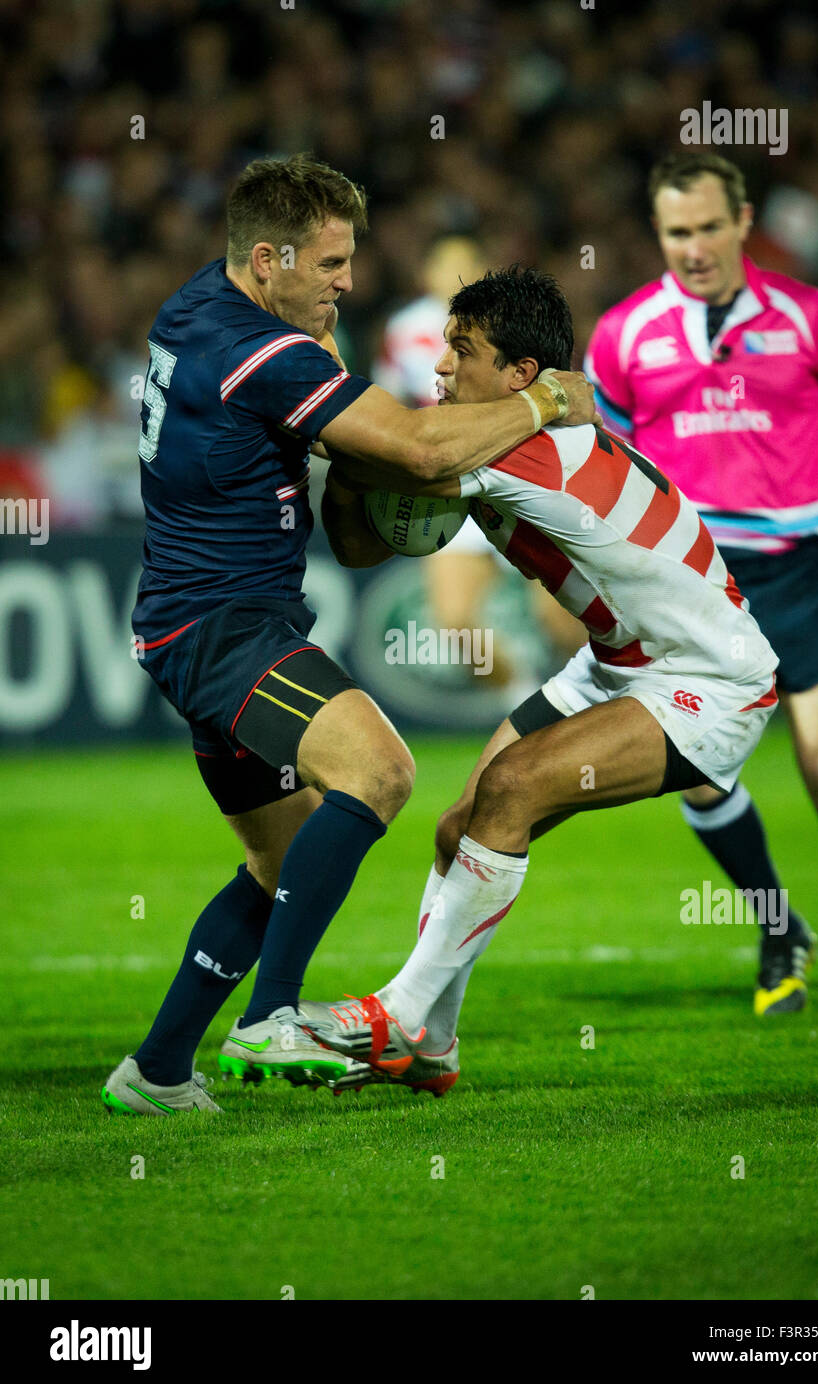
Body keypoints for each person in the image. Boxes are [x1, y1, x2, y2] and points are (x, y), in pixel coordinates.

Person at [101, 156, 597, 1116]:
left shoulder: (193, 308)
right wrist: (542, 403)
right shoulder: (269, 353)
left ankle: (157, 1069)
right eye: (329, 262)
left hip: (186, 621)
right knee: (381, 772)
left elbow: (353, 518)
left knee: (280, 863)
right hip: (225, 627)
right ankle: (270, 1017)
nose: (347, 282)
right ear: (264, 258)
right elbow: (416, 446)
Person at [301, 266, 780, 1093]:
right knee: (460, 828)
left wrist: (309, 380)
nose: (441, 368)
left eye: (463, 351)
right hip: (615, 664)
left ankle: (401, 1012)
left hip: (710, 679)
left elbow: (397, 456)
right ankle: (433, 1047)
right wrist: (346, 464)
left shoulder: (527, 446)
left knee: (513, 786)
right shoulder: (492, 439)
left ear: (522, 376)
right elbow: (363, 539)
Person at [583, 152, 818, 1016]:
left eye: (710, 227)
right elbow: (609, 463)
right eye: (678, 232)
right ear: (658, 234)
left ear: (744, 223)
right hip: (692, 587)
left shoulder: (808, 316)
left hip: (798, 568)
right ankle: (779, 930)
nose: (695, 247)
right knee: (701, 776)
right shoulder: (623, 333)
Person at [373, 233, 583, 692]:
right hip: (451, 484)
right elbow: (387, 405)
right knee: (455, 623)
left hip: (518, 476)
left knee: (561, 618)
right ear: (425, 273)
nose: (453, 274)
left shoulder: (511, 326)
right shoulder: (403, 330)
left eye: (465, 263)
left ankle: (600, 706)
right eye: (444, 264)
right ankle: (523, 697)